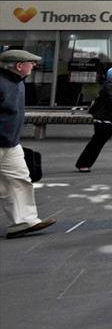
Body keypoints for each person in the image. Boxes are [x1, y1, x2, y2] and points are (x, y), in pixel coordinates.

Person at [0, 49, 56, 239]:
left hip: (11, 144)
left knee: (20, 180)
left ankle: (23, 222)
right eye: (31, 63)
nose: (34, 66)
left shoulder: (18, 83)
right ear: (19, 66)